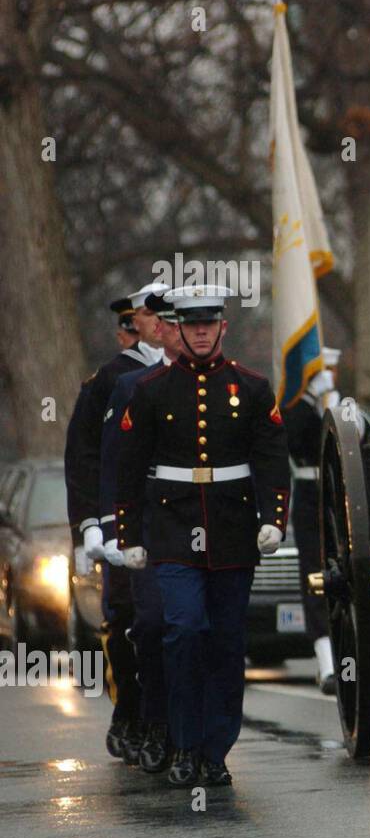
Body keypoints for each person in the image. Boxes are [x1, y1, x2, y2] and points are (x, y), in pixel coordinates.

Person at [115, 285, 290, 788]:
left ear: (222, 327)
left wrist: (274, 516)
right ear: (178, 327)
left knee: (226, 644)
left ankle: (216, 752)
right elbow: (128, 469)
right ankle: (185, 745)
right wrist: (127, 533)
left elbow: (272, 459)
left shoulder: (252, 388)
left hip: (233, 530)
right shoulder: (150, 391)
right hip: (172, 529)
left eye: (208, 323)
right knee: (185, 630)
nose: (200, 331)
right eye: (191, 324)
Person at [65, 282, 167, 762]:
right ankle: (130, 710)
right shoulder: (109, 380)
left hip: (172, 518)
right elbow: (87, 458)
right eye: (149, 316)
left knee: (169, 620)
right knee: (126, 618)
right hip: (121, 521)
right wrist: (89, 525)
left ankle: (168, 719)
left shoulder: (185, 372)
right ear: (135, 325)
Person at [98, 290, 184, 772]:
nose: (176, 332)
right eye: (169, 324)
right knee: (149, 625)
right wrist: (109, 527)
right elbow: (110, 464)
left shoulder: (233, 385)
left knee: (199, 629)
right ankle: (150, 719)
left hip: (202, 526)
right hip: (150, 528)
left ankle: (195, 735)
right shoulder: (129, 385)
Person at [283, 347, 341, 695]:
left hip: (338, 492)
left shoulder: (338, 402)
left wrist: (331, 406)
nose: (329, 376)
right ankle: (326, 662)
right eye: (323, 370)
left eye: (332, 370)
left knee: (342, 572)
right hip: (308, 492)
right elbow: (294, 440)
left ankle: (344, 656)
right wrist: (312, 405)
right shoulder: (295, 408)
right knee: (314, 573)